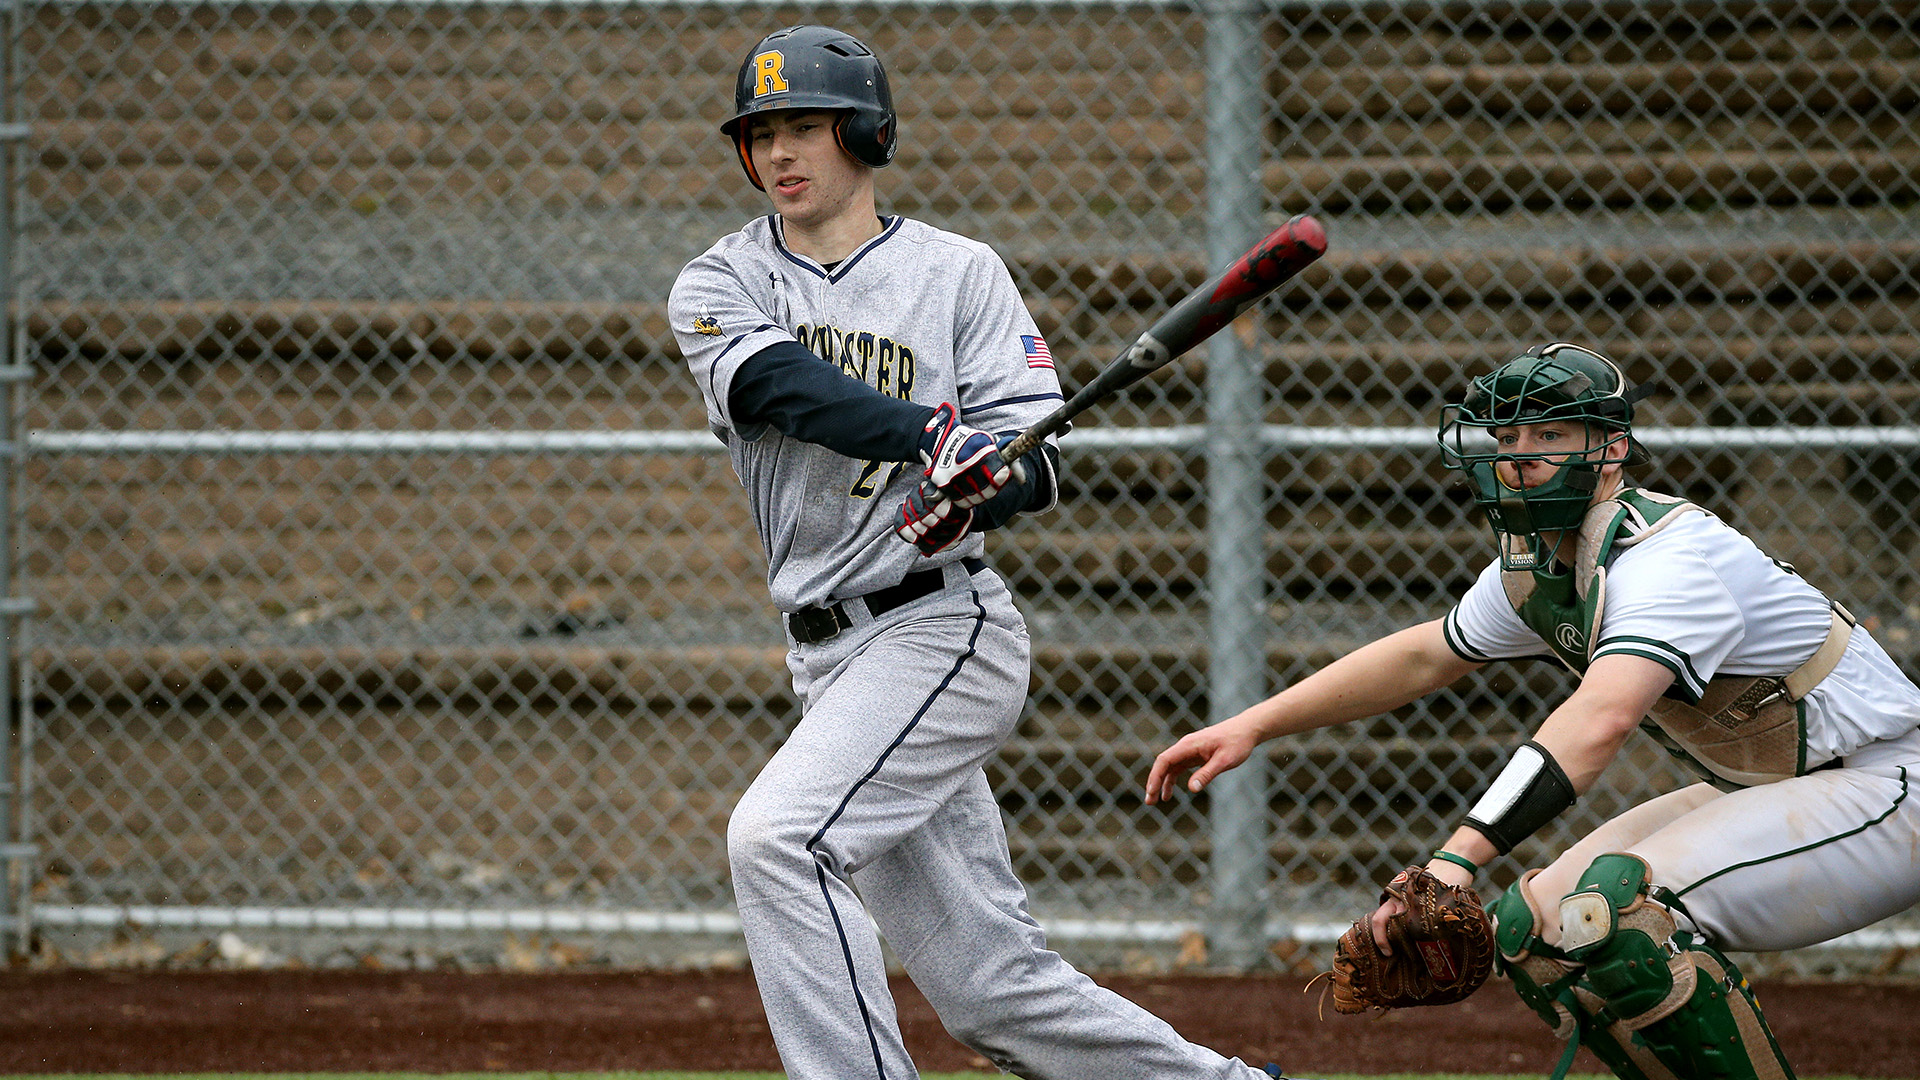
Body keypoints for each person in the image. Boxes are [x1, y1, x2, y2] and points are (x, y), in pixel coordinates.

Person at [669, 25, 1305, 1080]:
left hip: (941, 628)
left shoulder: (959, 274)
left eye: (807, 128)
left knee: (778, 840)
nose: (782, 153)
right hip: (827, 656)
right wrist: (929, 436)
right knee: (987, 986)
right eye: (762, 133)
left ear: (865, 131)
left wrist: (980, 488)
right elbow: (775, 387)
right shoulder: (720, 279)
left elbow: (1039, 463)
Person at [1147, 342, 1920, 1080]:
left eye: (1550, 433)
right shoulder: (1543, 562)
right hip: (1782, 784)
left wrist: (1453, 863)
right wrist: (1252, 723)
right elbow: (1425, 654)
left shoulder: (1666, 561)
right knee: (1537, 929)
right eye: (1507, 434)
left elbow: (1601, 719)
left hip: (1890, 781)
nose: (1520, 453)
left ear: (1611, 449)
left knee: (1611, 910)